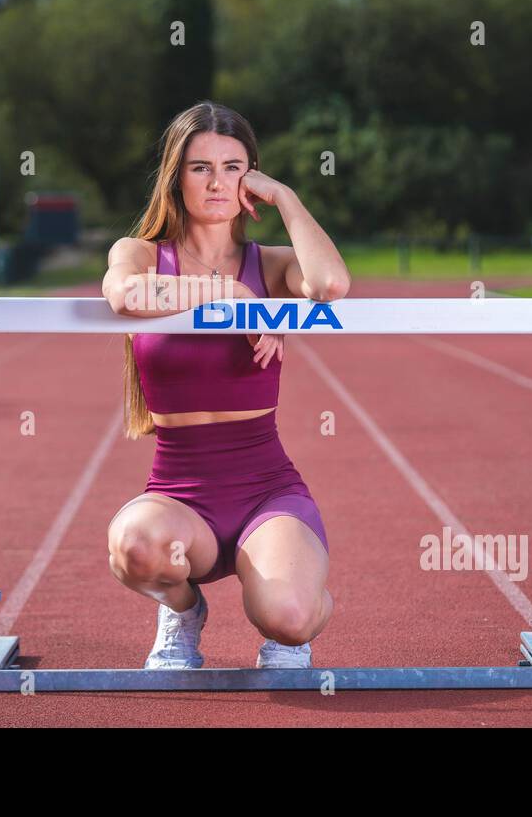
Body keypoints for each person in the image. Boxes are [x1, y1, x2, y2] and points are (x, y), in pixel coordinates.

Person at [101, 100, 351, 670]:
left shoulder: (273, 266)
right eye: (200, 168)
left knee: (287, 618)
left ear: (251, 179)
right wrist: (232, 297)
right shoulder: (142, 255)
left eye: (233, 167)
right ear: (176, 177)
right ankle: (183, 612)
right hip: (180, 495)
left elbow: (330, 283)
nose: (217, 183)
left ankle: (299, 601)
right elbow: (124, 295)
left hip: (267, 489)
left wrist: (286, 196)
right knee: (135, 548)